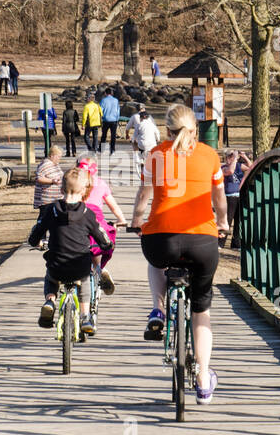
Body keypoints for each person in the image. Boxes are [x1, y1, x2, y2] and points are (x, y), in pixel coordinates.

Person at [130, 104, 229, 404]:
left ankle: (158, 309)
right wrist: (223, 222)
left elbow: (145, 195)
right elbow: (220, 198)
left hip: (162, 239)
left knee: (155, 261)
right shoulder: (210, 156)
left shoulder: (155, 155)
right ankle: (202, 379)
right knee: (201, 310)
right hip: (202, 242)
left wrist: (137, 220)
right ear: (195, 130)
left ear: (167, 130)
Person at [29, 167, 113, 336]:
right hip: (79, 265)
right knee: (85, 280)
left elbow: (36, 232)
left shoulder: (50, 211)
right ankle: (85, 317)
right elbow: (101, 236)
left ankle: (50, 302)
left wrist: (36, 242)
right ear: (84, 191)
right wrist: (106, 245)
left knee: (51, 279)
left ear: (61, 189)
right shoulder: (87, 214)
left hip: (57, 264)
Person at [76, 155, 127, 294]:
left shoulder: (74, 184)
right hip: (96, 220)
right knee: (98, 244)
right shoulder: (100, 183)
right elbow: (113, 206)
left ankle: (79, 276)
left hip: (77, 219)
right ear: (96, 170)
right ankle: (99, 269)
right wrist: (121, 220)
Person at [222, 149, 254, 232]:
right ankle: (221, 242)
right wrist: (235, 158)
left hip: (239, 195)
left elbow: (251, 167)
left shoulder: (239, 166)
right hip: (229, 197)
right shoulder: (223, 168)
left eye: (232, 156)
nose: (232, 158)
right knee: (228, 220)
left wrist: (244, 157)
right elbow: (230, 171)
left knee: (238, 221)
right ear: (226, 158)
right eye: (230, 156)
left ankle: (236, 242)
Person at [127, 104, 159, 174]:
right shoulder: (151, 120)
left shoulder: (136, 120)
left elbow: (133, 135)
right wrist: (157, 139)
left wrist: (130, 139)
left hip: (142, 143)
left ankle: (139, 160)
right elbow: (157, 133)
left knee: (136, 144)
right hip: (152, 143)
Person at [34, 144, 65, 210]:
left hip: (56, 199)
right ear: (52, 155)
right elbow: (39, 178)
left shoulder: (55, 165)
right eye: (58, 156)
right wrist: (52, 181)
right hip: (47, 201)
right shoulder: (45, 165)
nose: (59, 158)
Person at [99, 87, 121, 154]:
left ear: (105, 93)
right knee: (113, 135)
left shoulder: (103, 100)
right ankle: (112, 150)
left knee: (104, 135)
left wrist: (101, 118)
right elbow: (118, 110)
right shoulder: (116, 100)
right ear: (111, 93)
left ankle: (101, 149)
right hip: (114, 120)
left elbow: (100, 110)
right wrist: (117, 118)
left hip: (106, 120)